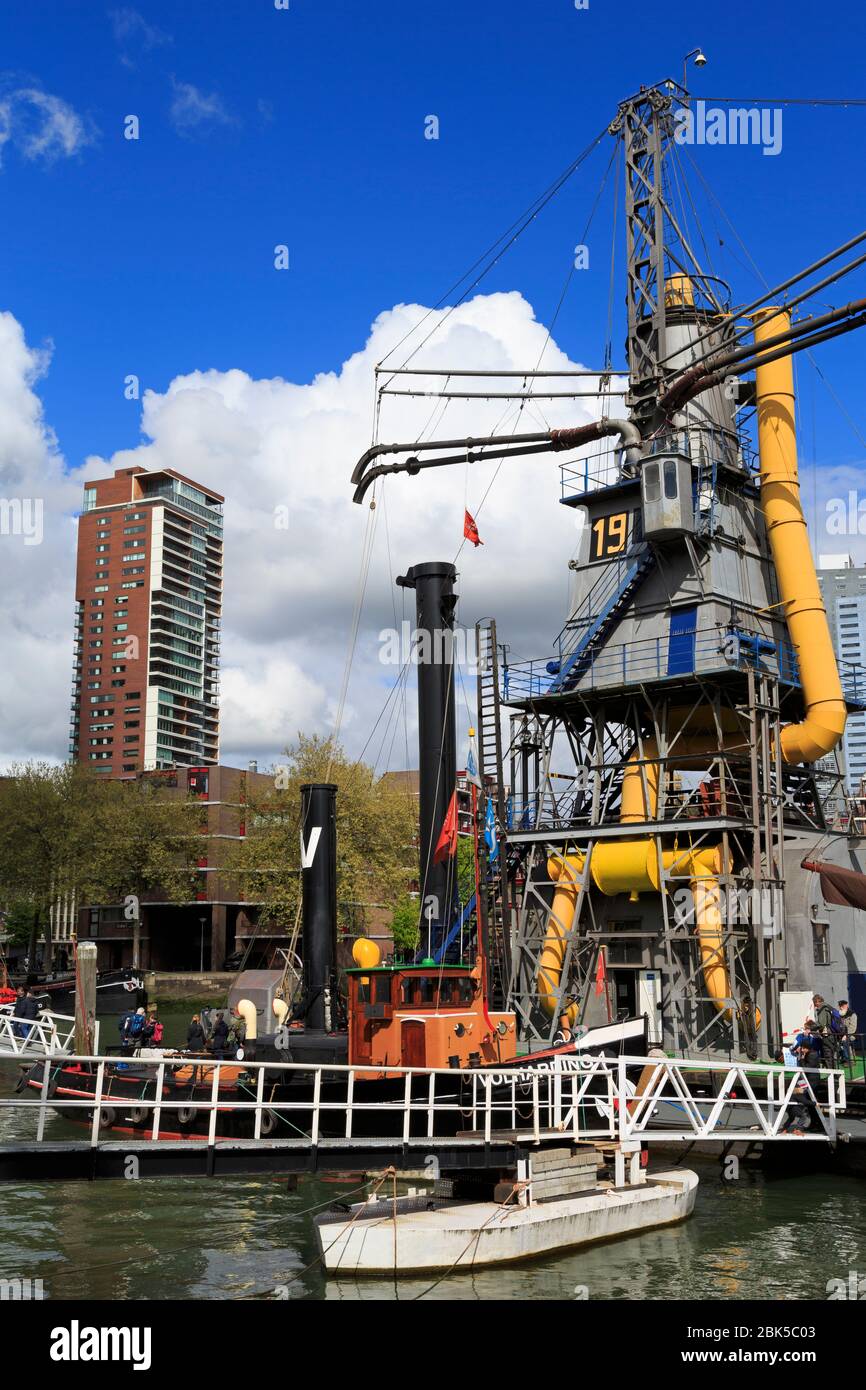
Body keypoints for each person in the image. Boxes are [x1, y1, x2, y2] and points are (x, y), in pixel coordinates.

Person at [812, 994, 841, 1067]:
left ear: (817, 1001)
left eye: (814, 1003)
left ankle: (833, 1076)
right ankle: (836, 1075)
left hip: (827, 1035)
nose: (814, 1005)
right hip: (832, 1033)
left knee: (828, 1054)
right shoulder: (828, 1007)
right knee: (832, 1054)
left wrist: (810, 1027)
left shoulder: (822, 1008)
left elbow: (821, 1024)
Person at [838, 1000, 858, 1065]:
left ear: (846, 1006)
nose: (840, 1008)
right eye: (840, 1006)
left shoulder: (852, 1014)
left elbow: (852, 1028)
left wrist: (846, 1035)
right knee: (835, 1039)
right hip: (843, 1034)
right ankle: (842, 1058)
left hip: (852, 1034)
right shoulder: (841, 1014)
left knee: (845, 1041)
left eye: (842, 1006)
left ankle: (850, 1060)